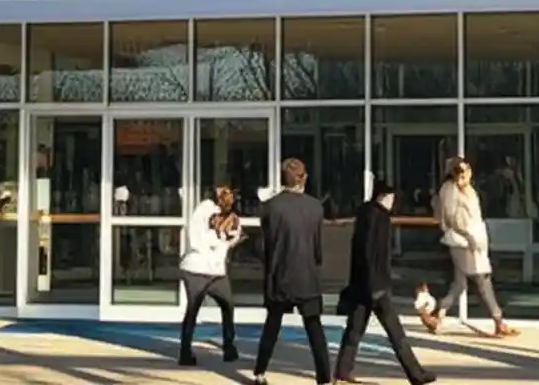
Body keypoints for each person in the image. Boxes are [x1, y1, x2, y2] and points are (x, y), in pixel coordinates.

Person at [334, 182, 436, 385]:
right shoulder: (380, 218)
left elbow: (362, 252)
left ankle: (342, 372)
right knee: (396, 334)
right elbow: (375, 253)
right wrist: (377, 284)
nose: (392, 202)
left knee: (354, 331)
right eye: (391, 198)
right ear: (383, 197)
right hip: (376, 286)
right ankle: (416, 374)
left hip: (361, 285)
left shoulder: (364, 215)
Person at [416, 157, 518, 338]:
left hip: (473, 240)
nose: (466, 175)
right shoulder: (449, 189)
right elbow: (452, 217)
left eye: (467, 171)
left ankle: (437, 314)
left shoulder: (467, 189)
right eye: (462, 172)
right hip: (463, 241)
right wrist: (469, 236)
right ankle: (498, 321)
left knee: (460, 283)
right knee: (482, 279)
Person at [253, 158, 330, 385]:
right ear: (303, 178)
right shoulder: (315, 207)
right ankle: (324, 377)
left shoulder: (270, 207)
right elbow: (318, 246)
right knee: (314, 328)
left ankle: (260, 372)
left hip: (279, 274)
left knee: (272, 325)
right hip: (307, 275)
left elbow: (264, 246)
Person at [178, 186, 242, 367]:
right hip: (197, 269)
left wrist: (232, 236)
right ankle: (185, 352)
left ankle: (229, 347)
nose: (230, 202)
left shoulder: (229, 216)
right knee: (194, 310)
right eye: (227, 198)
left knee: (227, 305)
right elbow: (198, 238)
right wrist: (222, 236)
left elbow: (229, 239)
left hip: (215, 271)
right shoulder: (204, 210)